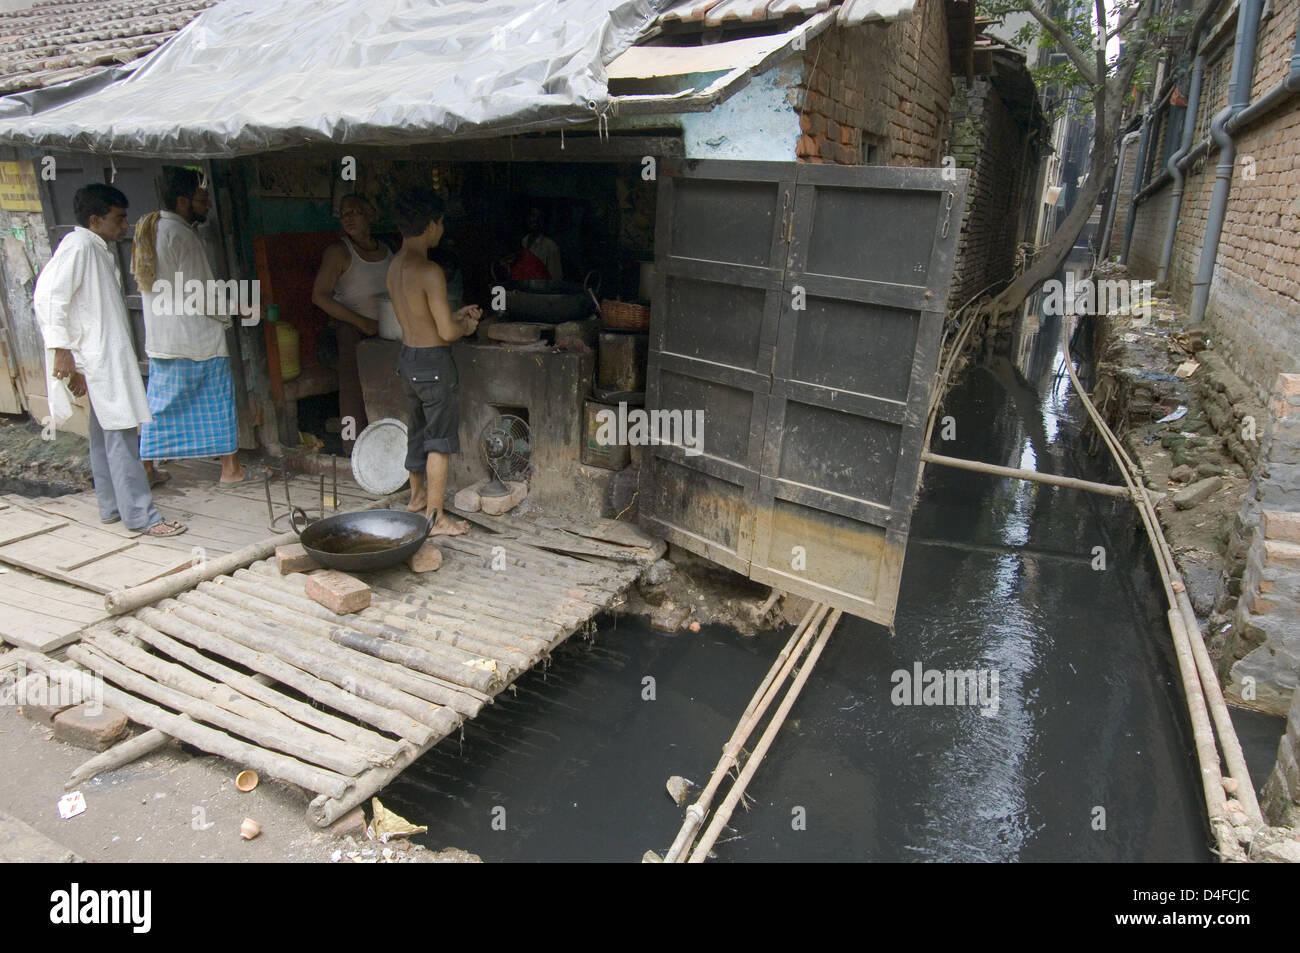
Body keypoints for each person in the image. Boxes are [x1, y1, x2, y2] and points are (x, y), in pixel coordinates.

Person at [34, 184, 186, 537]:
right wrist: (61, 350)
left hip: (99, 355)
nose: (125, 224)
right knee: (121, 436)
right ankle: (142, 517)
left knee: (104, 436)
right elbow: (49, 297)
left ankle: (111, 506)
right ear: (95, 219)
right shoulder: (79, 246)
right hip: (99, 357)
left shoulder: (93, 247)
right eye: (118, 218)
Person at [133, 167, 248, 485]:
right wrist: (236, 310)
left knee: (160, 408)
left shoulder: (148, 227)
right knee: (217, 403)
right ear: (183, 201)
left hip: (163, 338)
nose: (208, 205)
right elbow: (201, 294)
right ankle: (230, 469)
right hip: (196, 340)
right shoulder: (183, 235)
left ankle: (146, 469)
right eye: (202, 199)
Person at [386, 187, 482, 536]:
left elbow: (422, 320)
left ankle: (415, 499)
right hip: (434, 365)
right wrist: (466, 324)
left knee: (417, 432)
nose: (442, 230)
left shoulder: (395, 266)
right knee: (439, 441)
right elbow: (446, 332)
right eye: (441, 223)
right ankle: (435, 518)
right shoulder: (429, 270)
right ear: (430, 224)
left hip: (409, 359)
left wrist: (453, 317)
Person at [311, 194, 392, 455]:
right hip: (348, 330)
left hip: (384, 328)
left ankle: (387, 442)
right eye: (344, 213)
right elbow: (319, 296)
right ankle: (352, 449)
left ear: (370, 216)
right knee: (352, 387)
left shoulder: (387, 250)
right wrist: (362, 322)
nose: (348, 217)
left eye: (355, 211)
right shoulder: (338, 252)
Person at [521, 206, 562, 281]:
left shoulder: (551, 246)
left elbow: (555, 279)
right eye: (533, 215)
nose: (535, 220)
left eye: (540, 217)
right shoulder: (522, 241)